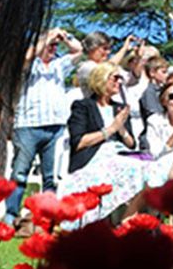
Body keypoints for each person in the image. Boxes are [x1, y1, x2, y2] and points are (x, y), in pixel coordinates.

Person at [4, 28, 83, 229]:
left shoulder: (59, 64)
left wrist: (65, 37)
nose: (53, 48)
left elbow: (78, 51)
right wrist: (45, 38)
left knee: (51, 177)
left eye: (55, 46)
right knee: (20, 174)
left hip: (55, 126)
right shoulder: (29, 63)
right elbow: (26, 59)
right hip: (28, 125)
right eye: (50, 45)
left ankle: (46, 217)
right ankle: (10, 215)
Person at [60, 62, 147, 223]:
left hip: (121, 153)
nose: (119, 82)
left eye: (120, 78)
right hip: (94, 157)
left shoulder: (120, 108)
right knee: (127, 169)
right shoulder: (83, 106)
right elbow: (79, 142)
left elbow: (131, 144)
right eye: (115, 78)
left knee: (149, 171)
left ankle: (128, 218)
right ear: (101, 80)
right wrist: (110, 129)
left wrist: (121, 129)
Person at [76, 31, 139, 97]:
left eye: (109, 49)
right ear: (92, 48)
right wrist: (125, 48)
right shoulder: (86, 67)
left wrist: (140, 58)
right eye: (104, 48)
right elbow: (104, 71)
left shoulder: (111, 67)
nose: (108, 52)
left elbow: (131, 79)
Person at [138, 56, 170, 149]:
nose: (167, 75)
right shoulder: (149, 93)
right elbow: (154, 115)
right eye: (163, 72)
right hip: (152, 138)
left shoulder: (163, 90)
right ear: (152, 73)